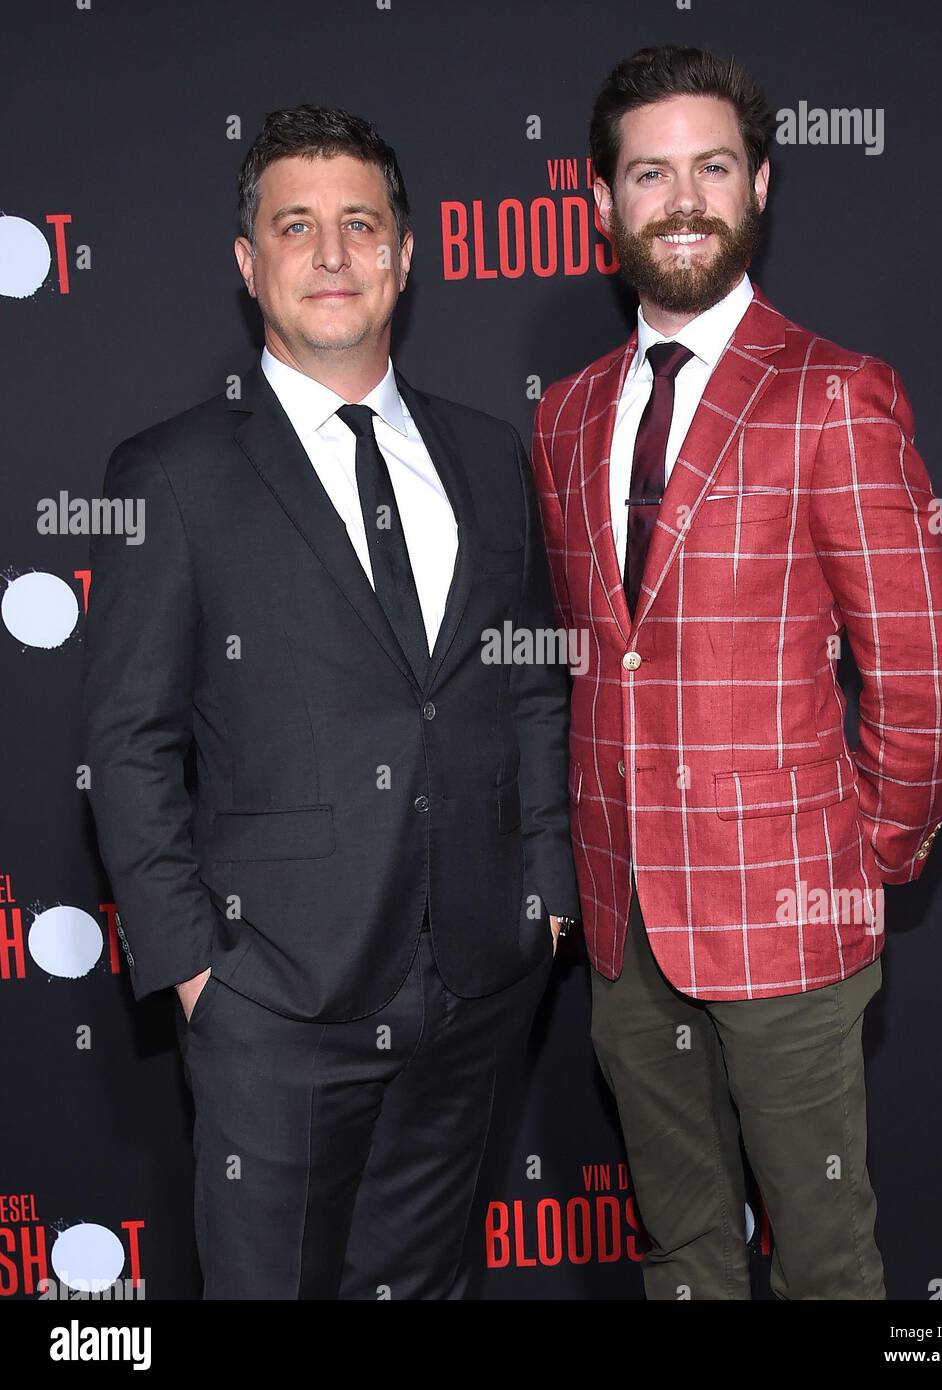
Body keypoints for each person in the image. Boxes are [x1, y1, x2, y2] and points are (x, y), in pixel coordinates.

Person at [81, 103, 579, 1299]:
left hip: (475, 983)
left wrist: (547, 898)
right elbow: (128, 740)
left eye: (360, 223)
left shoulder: (489, 453)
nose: (332, 252)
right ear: (249, 265)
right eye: (294, 226)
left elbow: (533, 683)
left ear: (408, 254)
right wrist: (200, 970)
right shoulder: (175, 470)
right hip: (274, 1000)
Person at [530, 46, 942, 1299]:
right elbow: (583, 662)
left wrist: (863, 858)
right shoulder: (563, 416)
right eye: (650, 171)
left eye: (712, 167)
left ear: (761, 184)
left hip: (791, 923)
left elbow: (933, 674)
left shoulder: (833, 394)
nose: (683, 198)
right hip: (624, 932)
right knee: (684, 1256)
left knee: (827, 1262)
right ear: (604, 203)